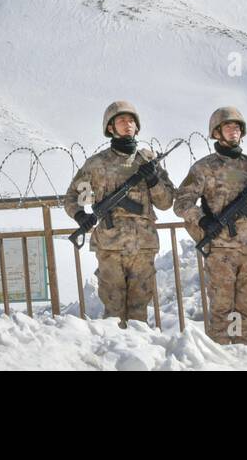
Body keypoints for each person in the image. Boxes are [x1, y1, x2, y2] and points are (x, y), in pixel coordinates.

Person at [63, 101, 174, 327]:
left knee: (139, 312)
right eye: (121, 120)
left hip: (143, 247)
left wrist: (153, 180)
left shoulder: (149, 161)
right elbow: (71, 197)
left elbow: (167, 202)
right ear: (110, 128)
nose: (128, 124)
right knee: (113, 314)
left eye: (131, 120)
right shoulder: (97, 164)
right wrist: (80, 216)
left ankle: (141, 356)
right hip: (110, 247)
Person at [174, 106, 247, 346]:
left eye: (237, 126)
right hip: (221, 250)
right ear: (216, 132)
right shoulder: (204, 167)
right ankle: (221, 358)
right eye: (228, 126)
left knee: (246, 307)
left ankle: (242, 355)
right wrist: (201, 219)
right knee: (222, 308)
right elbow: (181, 202)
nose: (234, 130)